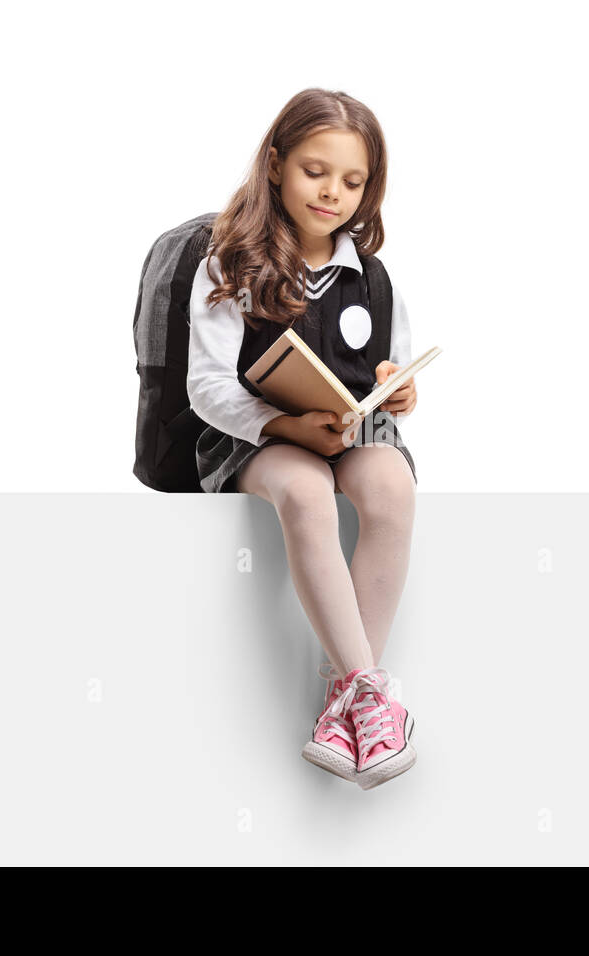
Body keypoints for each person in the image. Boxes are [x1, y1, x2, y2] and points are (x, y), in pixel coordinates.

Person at [185, 88, 418, 790]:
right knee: (307, 491)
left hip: (349, 427)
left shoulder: (371, 277)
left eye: (353, 182)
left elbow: (389, 372)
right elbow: (208, 388)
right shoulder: (231, 263)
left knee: (390, 484)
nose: (334, 194)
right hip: (260, 436)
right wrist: (284, 424)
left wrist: (396, 392)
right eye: (317, 172)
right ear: (278, 164)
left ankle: (348, 700)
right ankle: (367, 691)